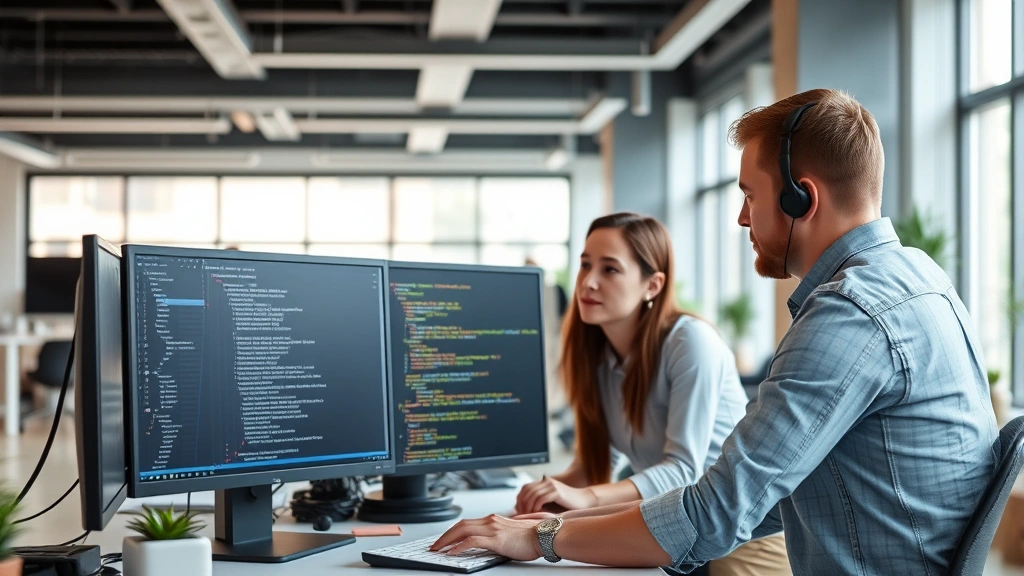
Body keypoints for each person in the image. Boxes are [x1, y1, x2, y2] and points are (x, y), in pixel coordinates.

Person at [431, 88, 998, 575]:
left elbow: (716, 515)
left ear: (803, 198)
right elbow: (767, 497)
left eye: (750, 194)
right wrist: (559, 522)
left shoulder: (851, 315)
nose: (743, 217)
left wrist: (542, 539)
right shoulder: (920, 280)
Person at [515, 213, 789, 575]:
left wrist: (582, 500)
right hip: (670, 529)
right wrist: (547, 492)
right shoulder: (598, 356)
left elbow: (682, 471)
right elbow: (594, 463)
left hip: (742, 536)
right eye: (584, 265)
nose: (588, 282)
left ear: (653, 285)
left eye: (609, 269)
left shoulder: (689, 342)